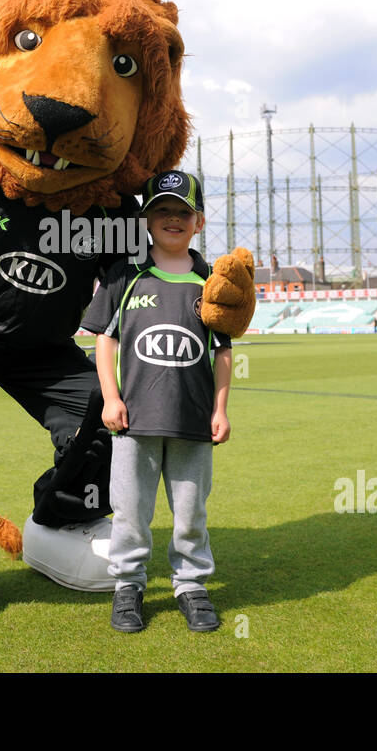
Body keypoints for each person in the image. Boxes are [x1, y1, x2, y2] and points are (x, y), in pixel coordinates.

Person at [81, 171, 234, 634]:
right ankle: (129, 586)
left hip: (192, 422)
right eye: (162, 210)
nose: (173, 219)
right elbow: (103, 344)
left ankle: (191, 585)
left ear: (199, 222)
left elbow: (223, 351)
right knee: (129, 510)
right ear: (147, 219)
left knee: (191, 512)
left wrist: (221, 408)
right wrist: (110, 397)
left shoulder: (211, 282)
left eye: (182, 212)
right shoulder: (124, 274)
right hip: (134, 421)